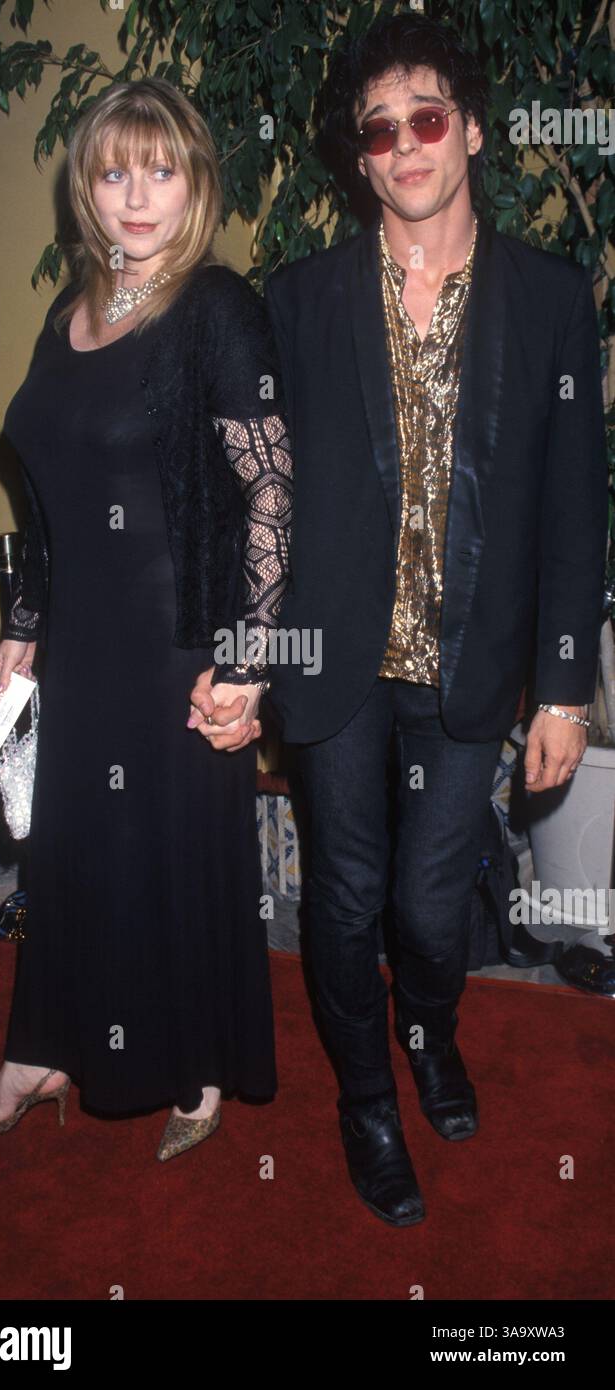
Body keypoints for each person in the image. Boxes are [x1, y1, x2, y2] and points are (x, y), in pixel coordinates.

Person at [263, 12, 608, 1225]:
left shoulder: (549, 299)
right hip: (337, 664)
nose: (403, 143)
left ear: (466, 130)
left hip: (469, 664)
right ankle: (365, 1100)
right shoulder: (299, 300)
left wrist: (560, 687)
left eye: (424, 117)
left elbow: (572, 503)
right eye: (377, 129)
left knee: (426, 903)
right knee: (344, 895)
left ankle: (426, 1030)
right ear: (359, 159)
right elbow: (261, 501)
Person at [0, 77, 293, 1163]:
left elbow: (272, 492)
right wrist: (27, 617)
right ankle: (44, 1049)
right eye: (112, 171)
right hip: (84, 645)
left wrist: (247, 660)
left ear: (195, 185)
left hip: (177, 642)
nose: (135, 196)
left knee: (168, 855)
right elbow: (45, 492)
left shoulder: (216, 308)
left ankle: (197, 1065)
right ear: (84, 188)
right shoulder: (70, 312)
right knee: (74, 851)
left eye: (160, 170)